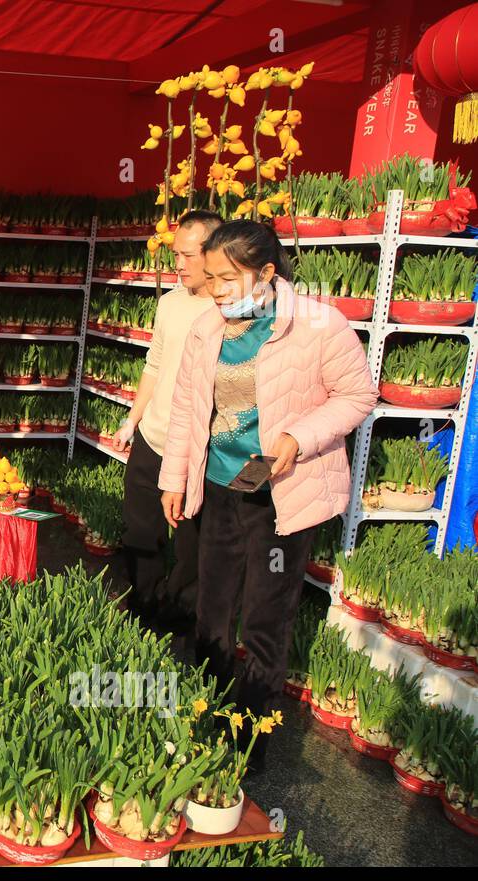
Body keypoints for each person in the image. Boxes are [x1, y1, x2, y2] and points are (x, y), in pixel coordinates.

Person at [158, 220, 375, 770]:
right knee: (211, 605)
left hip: (285, 494)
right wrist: (174, 478)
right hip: (222, 485)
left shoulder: (318, 326)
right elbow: (188, 409)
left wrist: (298, 437)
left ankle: (248, 739)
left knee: (263, 616)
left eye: (227, 279)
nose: (214, 290)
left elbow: (357, 395)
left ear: (267, 273)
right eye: (210, 278)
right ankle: (202, 715)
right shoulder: (208, 329)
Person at [113, 210, 222, 640]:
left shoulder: (227, 309)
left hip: (198, 449)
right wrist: (132, 420)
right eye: (175, 253)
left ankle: (179, 616)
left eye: (187, 254)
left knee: (193, 542)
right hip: (153, 439)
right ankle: (142, 608)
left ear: (213, 253)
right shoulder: (170, 303)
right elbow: (154, 365)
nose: (177, 262)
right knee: (141, 529)